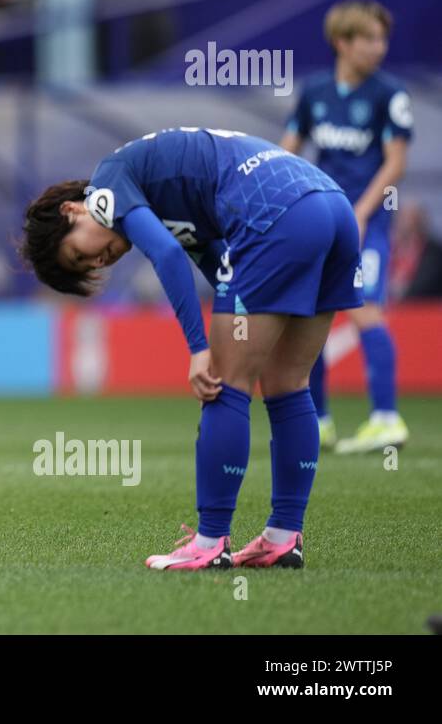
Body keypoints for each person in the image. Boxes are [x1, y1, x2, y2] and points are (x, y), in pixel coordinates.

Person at [20, 127, 363, 570]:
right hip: (330, 207)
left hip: (276, 212)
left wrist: (200, 347)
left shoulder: (105, 185)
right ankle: (282, 537)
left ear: (72, 210)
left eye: (78, 255)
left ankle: (210, 541)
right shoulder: (166, 200)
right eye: (85, 268)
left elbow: (164, 254)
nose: (96, 262)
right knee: (287, 383)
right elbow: (220, 265)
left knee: (223, 382)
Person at [280, 0, 411, 453]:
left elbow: (395, 164)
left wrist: (361, 211)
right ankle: (319, 421)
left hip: (367, 223)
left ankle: (386, 418)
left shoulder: (389, 95)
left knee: (363, 308)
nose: (380, 47)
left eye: (382, 38)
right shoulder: (315, 93)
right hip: (321, 221)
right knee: (311, 313)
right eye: (370, 38)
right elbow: (288, 150)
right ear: (342, 42)